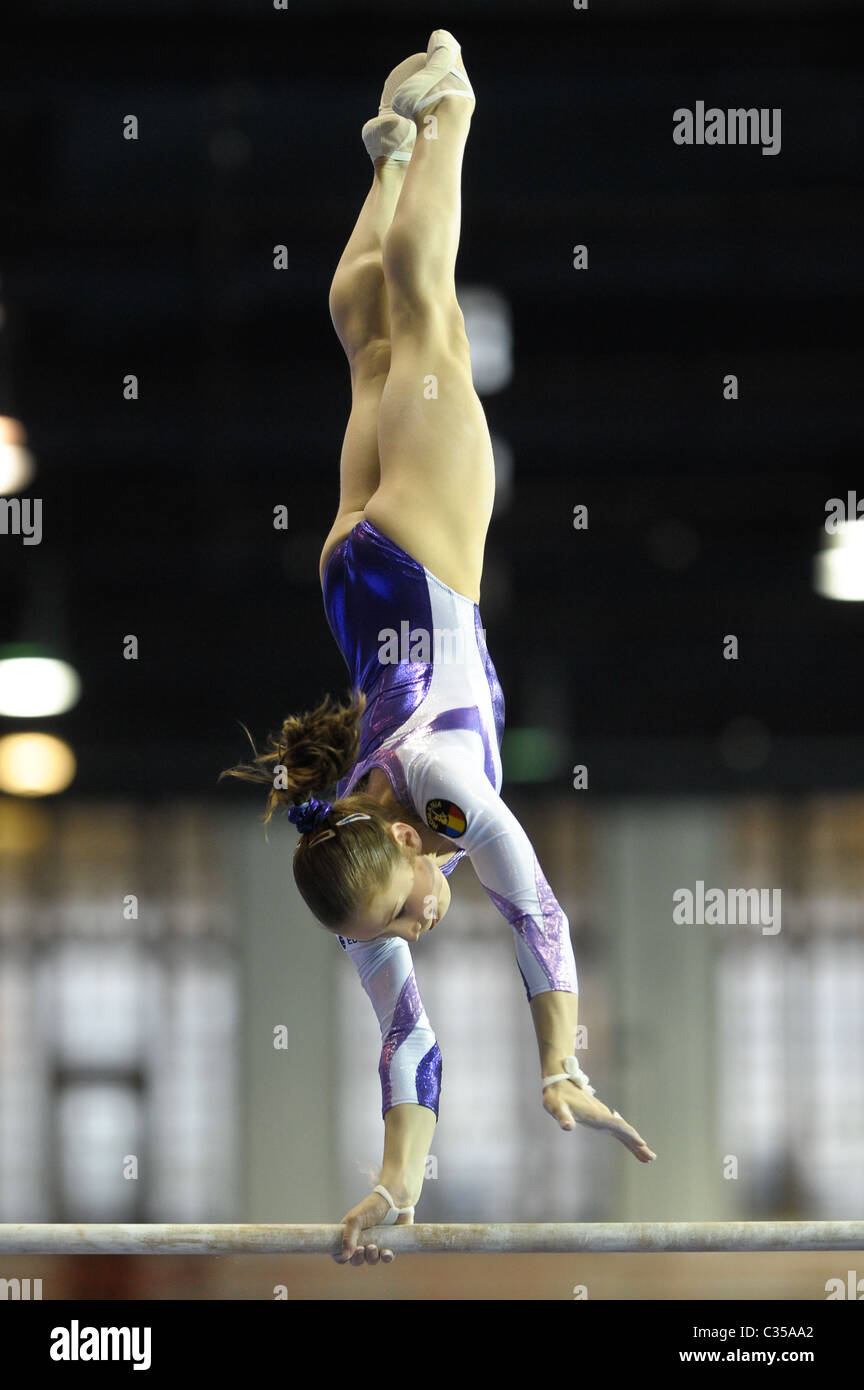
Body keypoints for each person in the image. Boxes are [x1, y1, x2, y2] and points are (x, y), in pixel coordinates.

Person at [223, 30, 656, 1270]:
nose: (417, 926)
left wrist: (561, 1063)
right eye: (403, 926)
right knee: (363, 332)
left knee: (425, 314)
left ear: (408, 841)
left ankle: (450, 106)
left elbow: (538, 910)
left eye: (409, 908)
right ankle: (389, 156)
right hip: (350, 576)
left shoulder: (449, 811)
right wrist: (393, 1188)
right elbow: (406, 1046)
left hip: (425, 556)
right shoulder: (348, 857)